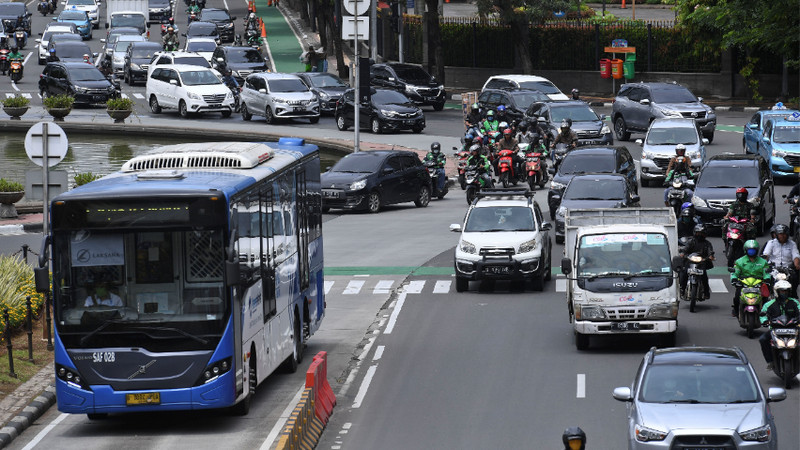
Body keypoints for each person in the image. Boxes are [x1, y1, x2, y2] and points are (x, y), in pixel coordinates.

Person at [759, 279, 800, 370]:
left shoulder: (794, 303)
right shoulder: (769, 304)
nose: (784, 293)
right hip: (775, 329)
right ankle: (770, 362)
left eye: (786, 291)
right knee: (763, 339)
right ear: (777, 291)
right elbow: (763, 314)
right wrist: (765, 321)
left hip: (793, 329)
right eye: (782, 291)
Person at [731, 240, 771, 317]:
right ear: (746, 250)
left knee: (765, 298)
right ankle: (736, 311)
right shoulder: (740, 261)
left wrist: (767, 279)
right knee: (736, 297)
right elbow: (735, 272)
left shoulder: (763, 262)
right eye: (750, 250)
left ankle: (765, 313)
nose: (751, 252)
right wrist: (734, 279)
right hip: (744, 283)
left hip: (758, 283)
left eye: (753, 250)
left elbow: (766, 273)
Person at [762, 224, 800, 293]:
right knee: (766, 281)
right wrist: (764, 264)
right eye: (780, 234)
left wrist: (796, 264)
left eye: (784, 234)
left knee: (795, 278)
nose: (782, 236)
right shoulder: (771, 243)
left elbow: (796, 255)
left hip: (788, 269)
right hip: (774, 269)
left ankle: (793, 294)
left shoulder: (792, 244)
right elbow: (766, 254)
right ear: (776, 235)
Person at [679, 224, 714, 299]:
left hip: (702, 262)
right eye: (698, 233)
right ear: (695, 232)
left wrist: (710, 256)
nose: (700, 235)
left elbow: (710, 252)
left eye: (701, 233)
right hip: (690, 261)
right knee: (684, 274)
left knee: (704, 277)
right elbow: (685, 249)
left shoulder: (707, 244)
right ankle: (682, 289)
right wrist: (683, 254)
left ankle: (706, 293)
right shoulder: (691, 241)